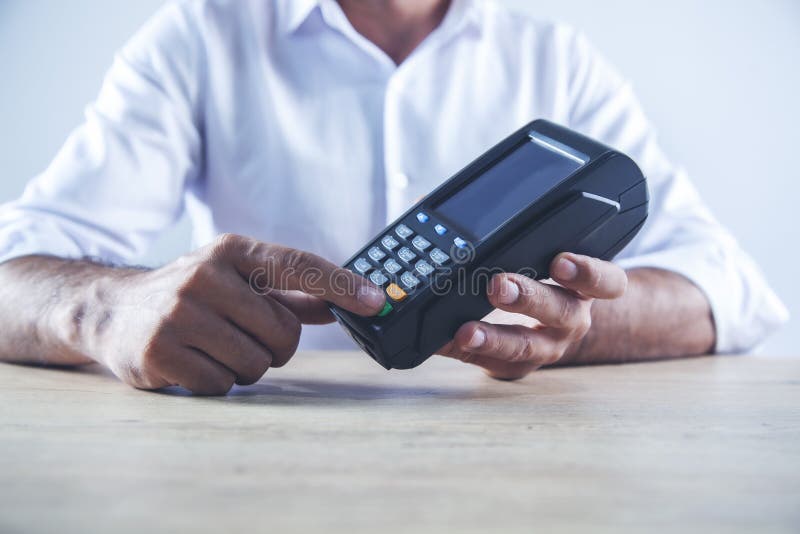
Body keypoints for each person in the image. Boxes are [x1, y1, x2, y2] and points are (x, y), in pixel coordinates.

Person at [0, 0, 787, 395]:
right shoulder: (202, 33)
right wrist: (105, 306)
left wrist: (574, 323)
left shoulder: (551, 56)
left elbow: (731, 287)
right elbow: (12, 265)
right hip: (254, 457)